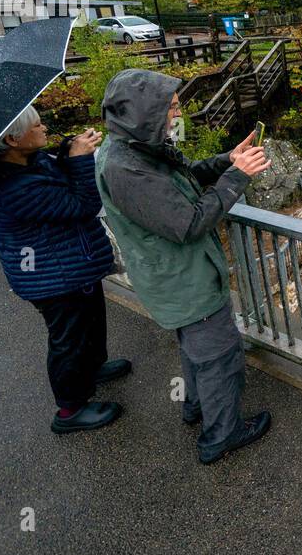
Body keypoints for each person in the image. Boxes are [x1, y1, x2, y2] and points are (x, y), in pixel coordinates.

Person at [96, 68, 272, 465]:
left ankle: (197, 407)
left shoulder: (133, 146)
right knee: (220, 356)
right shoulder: (126, 167)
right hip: (184, 280)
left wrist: (228, 159)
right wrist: (236, 177)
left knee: (196, 349)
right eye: (171, 108)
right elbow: (189, 222)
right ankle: (222, 435)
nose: (178, 113)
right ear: (145, 113)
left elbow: (184, 178)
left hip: (173, 278)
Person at [0, 105, 128, 434]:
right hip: (53, 278)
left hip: (71, 267)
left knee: (92, 322)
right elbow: (82, 204)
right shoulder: (12, 187)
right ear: (13, 139)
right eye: (37, 125)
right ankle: (70, 409)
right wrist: (82, 160)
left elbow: (56, 174)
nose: (45, 128)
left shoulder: (26, 162)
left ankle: (92, 368)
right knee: (68, 339)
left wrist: (69, 149)